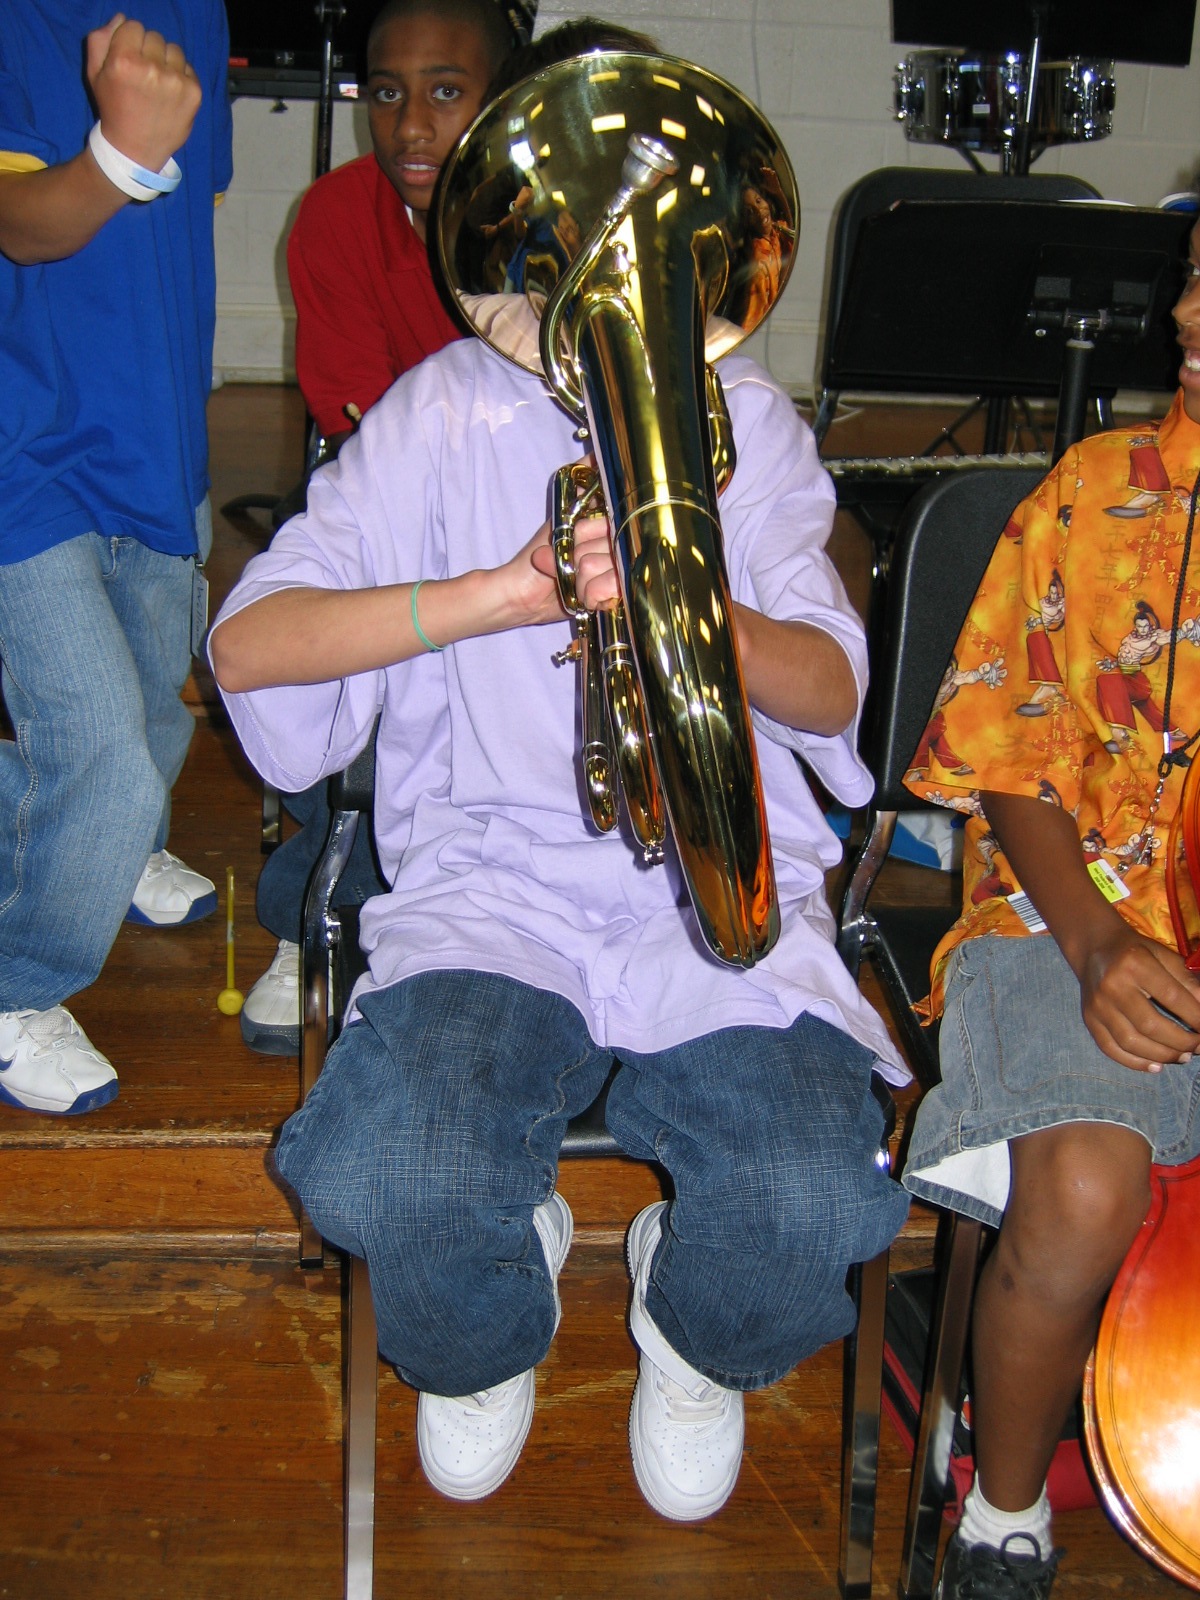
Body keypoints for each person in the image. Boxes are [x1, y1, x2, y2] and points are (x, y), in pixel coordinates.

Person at [209, 22, 909, 1514]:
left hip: (716, 907)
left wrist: (689, 599)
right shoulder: (437, 410)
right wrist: (501, 595)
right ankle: (482, 1322)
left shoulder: (752, 426)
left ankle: (693, 1326)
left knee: (811, 1205)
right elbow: (253, 649)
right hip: (494, 889)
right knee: (388, 1176)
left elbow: (837, 686)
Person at [901, 214, 1200, 1598]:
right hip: (1064, 901)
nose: (1190, 320)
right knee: (1083, 1185)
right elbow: (1007, 754)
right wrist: (1095, 945)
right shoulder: (1095, 487)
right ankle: (1003, 1512)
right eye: (1196, 283)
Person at [240, 0, 535, 1056]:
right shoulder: (333, 215)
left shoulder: (549, 214)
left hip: (536, 510)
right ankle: (315, 904)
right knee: (367, 656)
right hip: (395, 500)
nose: (411, 125)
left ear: (503, 101)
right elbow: (361, 427)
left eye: (447, 92)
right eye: (386, 93)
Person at [0, 5, 232, 1115]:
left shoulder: (197, 11)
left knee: (145, 706)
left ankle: (110, 839)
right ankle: (18, 983)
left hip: (153, 433)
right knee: (100, 744)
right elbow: (21, 224)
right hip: (21, 445)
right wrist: (119, 151)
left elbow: (183, 223)